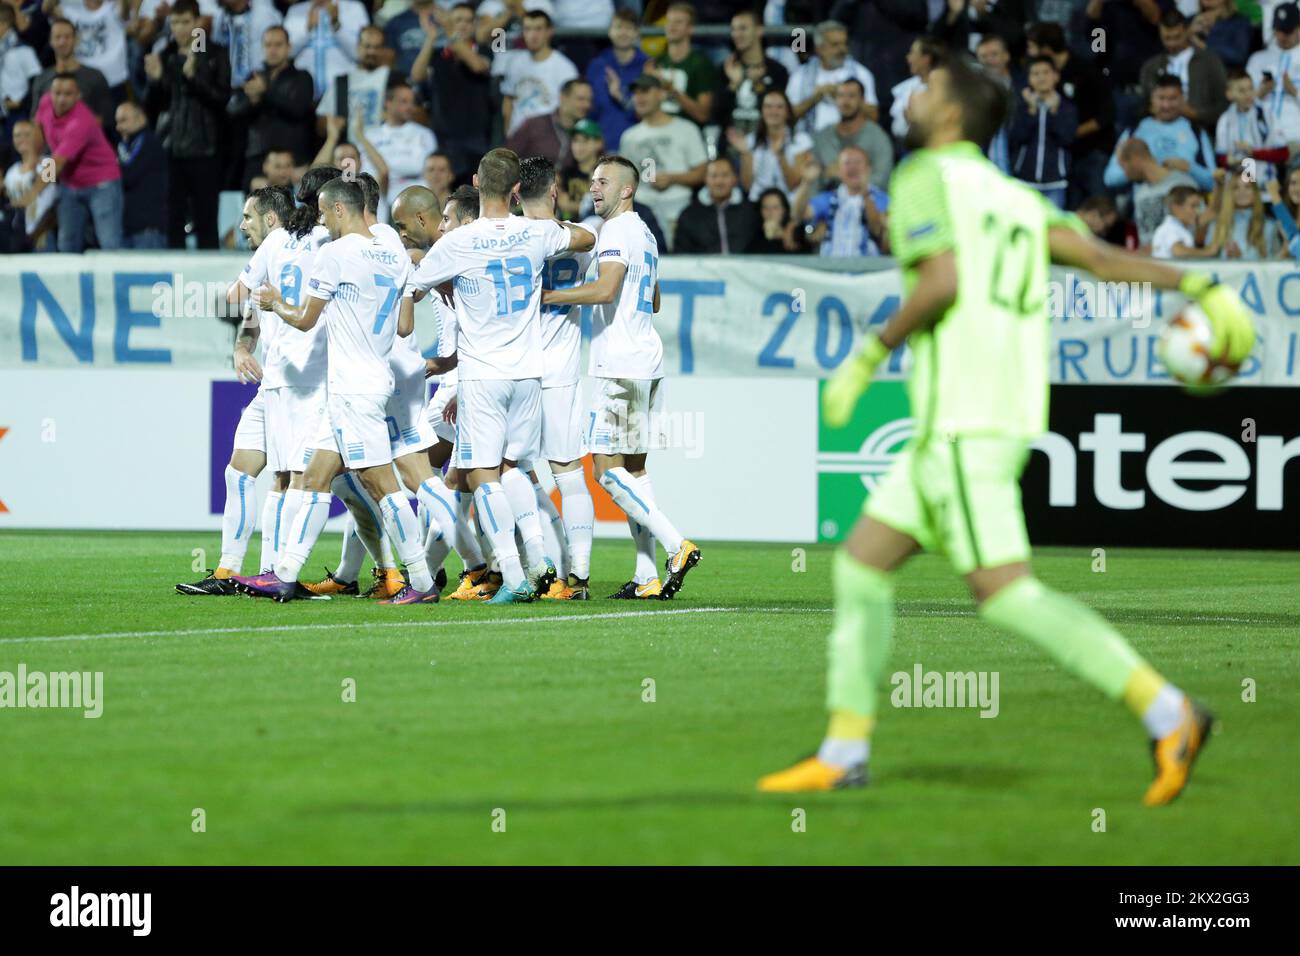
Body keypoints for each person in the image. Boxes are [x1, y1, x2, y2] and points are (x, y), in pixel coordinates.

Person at [757, 57, 1254, 801]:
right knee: (861, 566)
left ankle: (1168, 710)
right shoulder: (1015, 198)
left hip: (964, 418)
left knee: (1006, 592)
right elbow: (1096, 257)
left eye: (924, 87)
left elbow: (944, 278)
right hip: (979, 421)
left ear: (951, 115)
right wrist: (1194, 281)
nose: (912, 93)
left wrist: (868, 354)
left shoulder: (928, 175)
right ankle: (843, 750)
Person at [404, 148, 596, 603]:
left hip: (483, 375)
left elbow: (413, 285)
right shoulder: (536, 233)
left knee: (481, 476)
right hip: (530, 374)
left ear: (475, 180)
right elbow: (586, 238)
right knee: (514, 468)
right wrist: (557, 228)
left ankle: (512, 577)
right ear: (515, 190)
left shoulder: (457, 242)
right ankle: (542, 560)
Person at [235, 177, 438, 605]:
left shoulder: (335, 253)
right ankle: (285, 574)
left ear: (340, 209)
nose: (321, 221)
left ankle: (421, 580)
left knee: (383, 485)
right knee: (314, 476)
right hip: (369, 382)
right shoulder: (395, 254)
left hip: (352, 390)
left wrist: (275, 305)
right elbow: (405, 326)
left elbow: (306, 319)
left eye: (325, 213)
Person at [542, 154, 702, 600]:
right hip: (646, 361)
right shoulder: (646, 234)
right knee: (635, 469)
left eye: (604, 182)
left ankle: (676, 545)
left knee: (606, 472)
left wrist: (552, 295)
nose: (594, 188)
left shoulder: (615, 231)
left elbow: (607, 288)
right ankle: (647, 575)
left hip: (620, 367)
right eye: (592, 181)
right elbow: (653, 299)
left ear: (627, 190)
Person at [176, 185, 296, 595]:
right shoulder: (275, 259)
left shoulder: (287, 250)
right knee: (239, 473)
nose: (241, 225)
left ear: (271, 219)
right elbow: (249, 320)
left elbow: (232, 299)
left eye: (248, 217)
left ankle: (276, 573)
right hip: (273, 385)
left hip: (300, 386)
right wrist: (242, 348)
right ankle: (229, 573)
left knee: (343, 483)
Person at [517, 155, 597, 599]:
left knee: (510, 472)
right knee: (568, 472)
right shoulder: (581, 237)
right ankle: (577, 575)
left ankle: (536, 565)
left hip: (513, 371)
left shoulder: (508, 236)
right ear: (553, 191)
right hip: (561, 370)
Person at [144, 0, 230, 249]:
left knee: (206, 218)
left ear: (197, 23)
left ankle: (209, 281)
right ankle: (173, 279)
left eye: (185, 22)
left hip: (206, 148)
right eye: (175, 23)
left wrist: (193, 78)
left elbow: (222, 99)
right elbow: (153, 108)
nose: (180, 28)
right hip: (172, 149)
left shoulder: (214, 53)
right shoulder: (165, 55)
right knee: (173, 217)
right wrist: (156, 80)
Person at [617, 73, 708, 249]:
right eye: (635, 93)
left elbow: (702, 173)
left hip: (678, 212)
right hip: (642, 214)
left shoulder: (686, 129)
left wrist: (673, 178)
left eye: (645, 91)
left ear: (661, 94)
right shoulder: (629, 137)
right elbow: (625, 180)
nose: (639, 97)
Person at [34, 72, 121, 251]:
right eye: (57, 93)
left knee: (109, 241)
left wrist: (34, 192)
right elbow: (37, 129)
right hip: (70, 183)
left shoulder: (81, 121)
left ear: (78, 96)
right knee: (66, 243)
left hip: (101, 183)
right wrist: (36, 157)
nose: (60, 99)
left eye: (67, 94)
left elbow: (57, 162)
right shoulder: (44, 103)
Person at [408, 1, 491, 183]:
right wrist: (430, 38)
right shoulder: (438, 54)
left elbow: (477, 66)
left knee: (475, 194)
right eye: (457, 20)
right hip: (444, 139)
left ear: (475, 25)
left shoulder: (484, 50)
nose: (462, 24)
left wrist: (449, 31)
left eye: (468, 21)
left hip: (476, 139)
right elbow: (417, 75)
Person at [227, 25, 315, 188]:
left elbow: (298, 108)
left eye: (278, 45)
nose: (273, 50)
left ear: (289, 47)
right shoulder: (253, 77)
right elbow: (233, 112)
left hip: (292, 162)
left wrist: (265, 92)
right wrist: (252, 102)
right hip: (258, 161)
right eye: (268, 45)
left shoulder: (302, 77)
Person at [1104, 75, 1217, 191]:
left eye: (1172, 98)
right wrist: (1143, 166)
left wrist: (1189, 168)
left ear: (1182, 99)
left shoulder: (1196, 132)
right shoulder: (1134, 131)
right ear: (1152, 99)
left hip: (1185, 201)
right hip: (1146, 202)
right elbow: (1110, 178)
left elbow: (1214, 182)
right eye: (1161, 98)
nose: (1166, 105)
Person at [1138, 10, 1228, 131]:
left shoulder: (1210, 62)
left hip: (1201, 130)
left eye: (1177, 37)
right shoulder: (1151, 67)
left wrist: (1195, 114)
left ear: (1187, 31)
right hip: (1158, 132)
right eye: (1167, 38)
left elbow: (1223, 105)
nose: (1172, 43)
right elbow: (1144, 106)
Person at [793, 145, 889, 257]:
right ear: (838, 171)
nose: (853, 167)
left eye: (857, 162)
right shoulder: (829, 199)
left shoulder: (883, 199)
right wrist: (806, 182)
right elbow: (798, 215)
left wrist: (865, 194)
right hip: (832, 270)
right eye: (847, 163)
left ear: (868, 169)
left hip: (868, 271)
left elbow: (877, 230)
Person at [1008, 55, 1078, 208]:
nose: (1041, 78)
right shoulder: (1021, 107)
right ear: (1029, 79)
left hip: (1055, 182)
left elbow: (1066, 138)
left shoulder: (1067, 107)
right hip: (1024, 181)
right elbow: (1017, 137)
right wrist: (1032, 111)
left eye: (1046, 72)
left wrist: (1053, 112)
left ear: (1056, 76)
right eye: (1036, 73)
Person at [787, 19, 878, 136]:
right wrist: (815, 98)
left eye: (844, 44)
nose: (842, 49)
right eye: (835, 45)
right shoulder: (800, 75)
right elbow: (787, 117)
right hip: (808, 143)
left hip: (851, 143)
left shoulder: (861, 74)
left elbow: (873, 116)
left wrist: (842, 96)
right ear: (819, 48)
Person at [500, 6, 576, 138]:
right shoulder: (515, 62)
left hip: (548, 140)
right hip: (518, 139)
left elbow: (570, 109)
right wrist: (509, 134)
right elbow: (508, 101)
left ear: (549, 31)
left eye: (538, 29)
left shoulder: (565, 69)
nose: (532, 35)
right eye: (527, 29)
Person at [727, 89, 812, 203]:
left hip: (787, 204)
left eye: (779, 107)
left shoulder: (800, 140)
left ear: (788, 112)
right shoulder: (750, 141)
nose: (773, 111)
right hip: (757, 204)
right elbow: (747, 186)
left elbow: (793, 185)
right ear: (761, 111)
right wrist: (745, 153)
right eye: (768, 106)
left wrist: (780, 155)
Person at [714, 7, 789, 135]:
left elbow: (780, 115)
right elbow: (716, 116)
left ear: (759, 30)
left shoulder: (777, 71)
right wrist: (734, 85)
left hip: (765, 144)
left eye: (743, 28)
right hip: (731, 146)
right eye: (733, 29)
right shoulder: (724, 69)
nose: (737, 34)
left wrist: (758, 86)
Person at [29, 17, 111, 130]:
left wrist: (74, 133)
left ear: (76, 40)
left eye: (67, 37)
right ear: (51, 42)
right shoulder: (41, 79)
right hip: (51, 145)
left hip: (86, 143)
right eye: (57, 37)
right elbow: (35, 120)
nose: (62, 42)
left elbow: (105, 117)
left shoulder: (95, 76)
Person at [363, 82, 436, 209]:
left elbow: (420, 167)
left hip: (417, 199)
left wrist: (386, 168)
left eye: (412, 102)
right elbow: (367, 171)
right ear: (388, 103)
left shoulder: (425, 134)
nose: (410, 107)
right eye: (404, 101)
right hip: (379, 199)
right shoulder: (370, 136)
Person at [811, 79, 893, 191]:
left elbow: (883, 180)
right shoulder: (822, 138)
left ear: (862, 100)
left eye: (851, 96)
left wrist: (844, 177)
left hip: (867, 203)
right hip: (827, 204)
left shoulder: (878, 138)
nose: (845, 101)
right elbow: (814, 181)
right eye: (840, 96)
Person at [583, 7, 646, 150]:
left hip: (638, 146)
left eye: (629, 28)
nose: (623, 32)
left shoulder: (647, 65)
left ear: (637, 32)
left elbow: (649, 112)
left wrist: (621, 96)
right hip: (600, 147)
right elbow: (589, 109)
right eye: (618, 27)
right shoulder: (597, 65)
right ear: (610, 31)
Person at [282, 0, 370, 100]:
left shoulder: (355, 9)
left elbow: (361, 54)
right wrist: (307, 30)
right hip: (303, 95)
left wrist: (336, 25)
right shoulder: (295, 11)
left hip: (344, 94)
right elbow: (287, 54)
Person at [645, 2, 714, 127]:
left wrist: (672, 91)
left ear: (690, 28)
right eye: (669, 21)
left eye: (678, 22)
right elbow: (642, 114)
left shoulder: (701, 64)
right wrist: (648, 87)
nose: (672, 26)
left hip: (687, 135)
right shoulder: (655, 63)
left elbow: (703, 115)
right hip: (656, 133)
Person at [673, 155, 759, 254]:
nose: (719, 181)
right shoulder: (689, 215)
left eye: (725, 175)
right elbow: (681, 254)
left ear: (735, 179)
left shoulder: (752, 212)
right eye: (714, 176)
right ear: (705, 179)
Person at [1214, 69, 1289, 181]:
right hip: (1235, 187)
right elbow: (1221, 156)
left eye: (1250, 88)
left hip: (1265, 184)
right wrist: (1229, 161)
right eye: (1242, 90)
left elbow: (1283, 153)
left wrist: (1253, 152)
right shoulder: (1225, 120)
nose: (1248, 94)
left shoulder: (1267, 115)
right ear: (1229, 94)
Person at [315, 24, 390, 133]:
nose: (371, 52)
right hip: (349, 147)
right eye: (367, 46)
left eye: (377, 47)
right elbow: (320, 126)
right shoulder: (341, 82)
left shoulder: (393, 79)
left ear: (384, 49)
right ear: (358, 46)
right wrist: (333, 124)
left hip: (384, 146)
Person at [1246, 3, 1300, 149]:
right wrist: (1259, 93)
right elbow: (1240, 100)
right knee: (1246, 171)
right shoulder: (1258, 59)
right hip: (1260, 141)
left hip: (1295, 139)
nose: (1281, 36)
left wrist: (1295, 92)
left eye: (1287, 31)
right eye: (1278, 30)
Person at [114, 100, 167, 248]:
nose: (118, 127)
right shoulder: (124, 146)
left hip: (147, 229)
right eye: (117, 122)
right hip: (127, 228)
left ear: (141, 118)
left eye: (123, 121)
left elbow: (129, 175)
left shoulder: (149, 142)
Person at [506, 77, 592, 166]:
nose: (587, 105)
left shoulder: (588, 134)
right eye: (581, 99)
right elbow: (507, 159)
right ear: (563, 97)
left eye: (589, 100)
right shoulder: (534, 125)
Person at [3, 119, 57, 250]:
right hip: (18, 236)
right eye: (17, 135)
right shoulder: (11, 171)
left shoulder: (49, 163)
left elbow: (54, 198)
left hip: (43, 233)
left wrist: (33, 156)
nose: (22, 139)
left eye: (27, 134)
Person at [1211, 169, 1275, 259]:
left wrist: (1240, 257)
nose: (1242, 192)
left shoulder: (1269, 225)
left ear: (1255, 192)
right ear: (1230, 193)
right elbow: (1208, 260)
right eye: (1236, 188)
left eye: (1247, 187)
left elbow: (1272, 264)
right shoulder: (1217, 223)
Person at [889, 35, 941, 143]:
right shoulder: (907, 87)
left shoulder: (943, 89)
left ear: (926, 59)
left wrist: (915, 122)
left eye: (912, 53)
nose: (908, 58)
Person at [1152, 184, 1219, 257]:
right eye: (1193, 206)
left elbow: (1212, 212)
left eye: (1198, 206)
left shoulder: (1183, 227)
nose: (1198, 211)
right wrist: (1207, 252)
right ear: (1176, 208)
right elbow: (1178, 251)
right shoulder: (1169, 228)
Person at [750, 186, 807, 253]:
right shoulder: (754, 233)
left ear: (784, 210)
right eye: (766, 208)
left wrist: (782, 235)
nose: (770, 212)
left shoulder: (795, 231)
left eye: (775, 208)